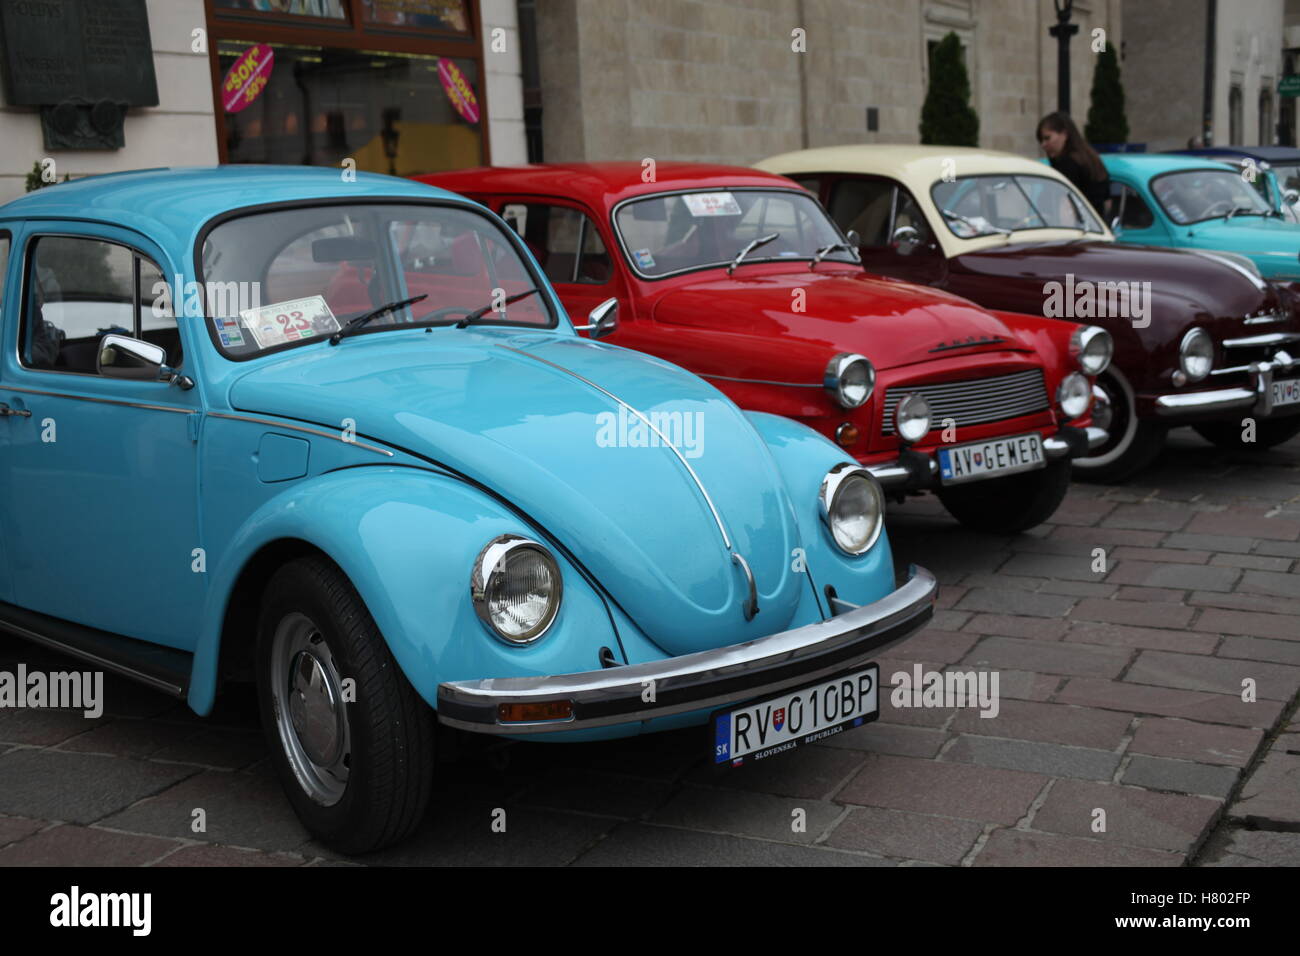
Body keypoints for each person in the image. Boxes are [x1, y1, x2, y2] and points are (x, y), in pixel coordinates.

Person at [1036, 112, 1110, 218]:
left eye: (1047, 138)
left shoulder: (1067, 164)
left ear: (1064, 134)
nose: (1043, 145)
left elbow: (1065, 205)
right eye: (1041, 140)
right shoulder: (1091, 159)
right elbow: (1107, 202)